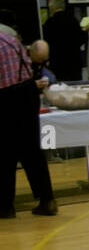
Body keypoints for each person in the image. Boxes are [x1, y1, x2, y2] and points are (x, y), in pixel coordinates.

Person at [0, 29, 57, 218]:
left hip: (6, 96)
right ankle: (47, 200)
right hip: (26, 93)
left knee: (5, 154)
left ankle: (5, 206)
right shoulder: (9, 38)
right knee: (31, 150)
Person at [41, 0, 89, 83]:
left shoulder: (49, 22)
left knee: (60, 87)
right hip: (74, 60)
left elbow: (46, 42)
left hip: (57, 61)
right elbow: (83, 38)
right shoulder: (73, 20)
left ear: (52, 8)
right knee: (75, 86)